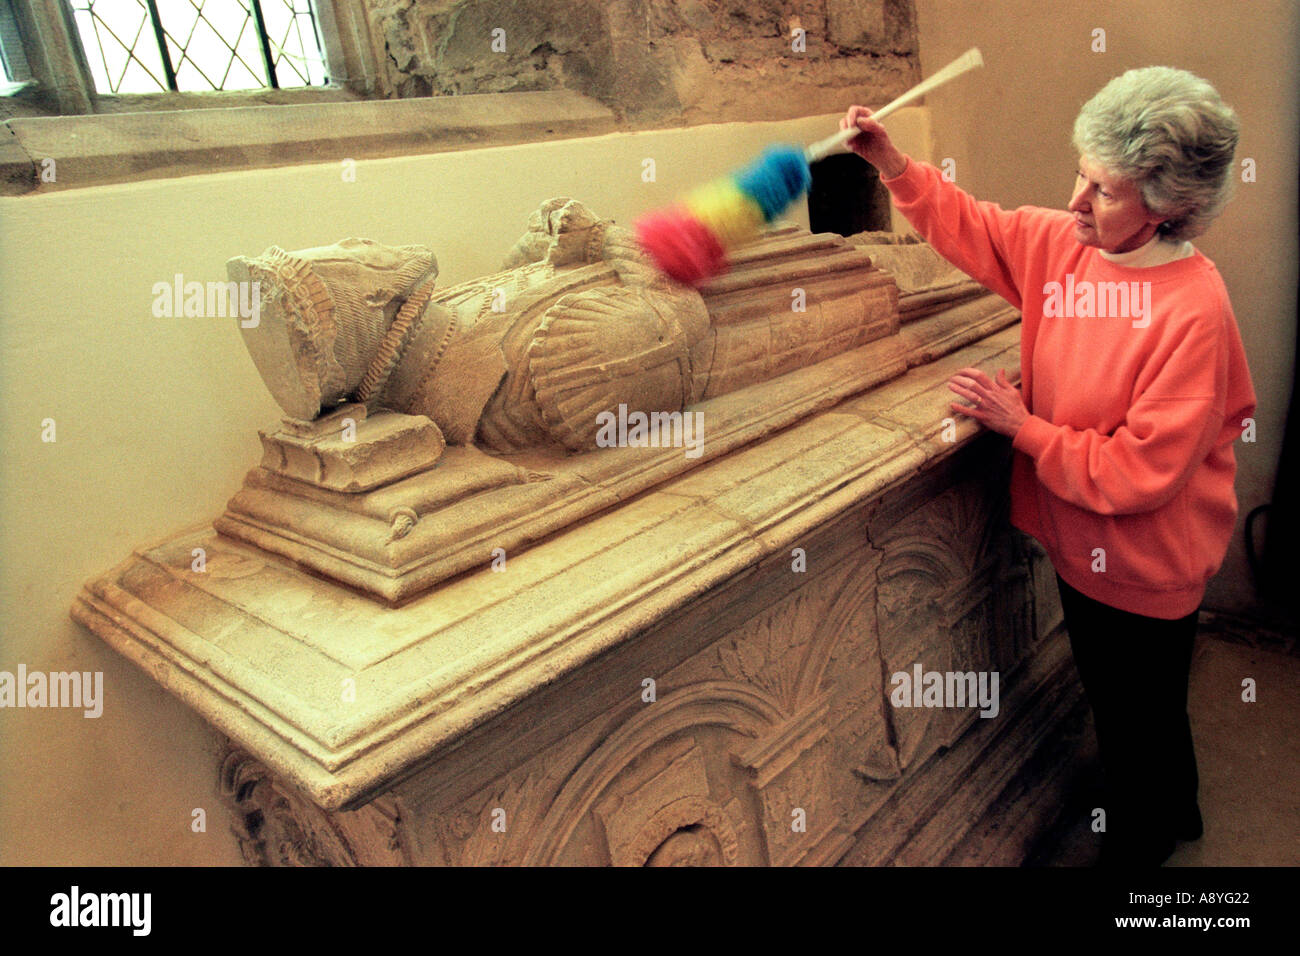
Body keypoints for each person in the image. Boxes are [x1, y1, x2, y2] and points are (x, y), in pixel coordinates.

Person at [840, 65, 1256, 866]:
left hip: (1149, 563)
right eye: (1081, 171)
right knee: (1140, 706)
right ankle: (1180, 811)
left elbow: (1141, 474)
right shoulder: (1068, 245)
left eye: (1103, 189)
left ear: (1169, 207)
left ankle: (1142, 854)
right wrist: (892, 163)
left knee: (1136, 713)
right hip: (1082, 546)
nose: (1074, 201)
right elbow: (976, 226)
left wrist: (1021, 426)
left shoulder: (1195, 311)